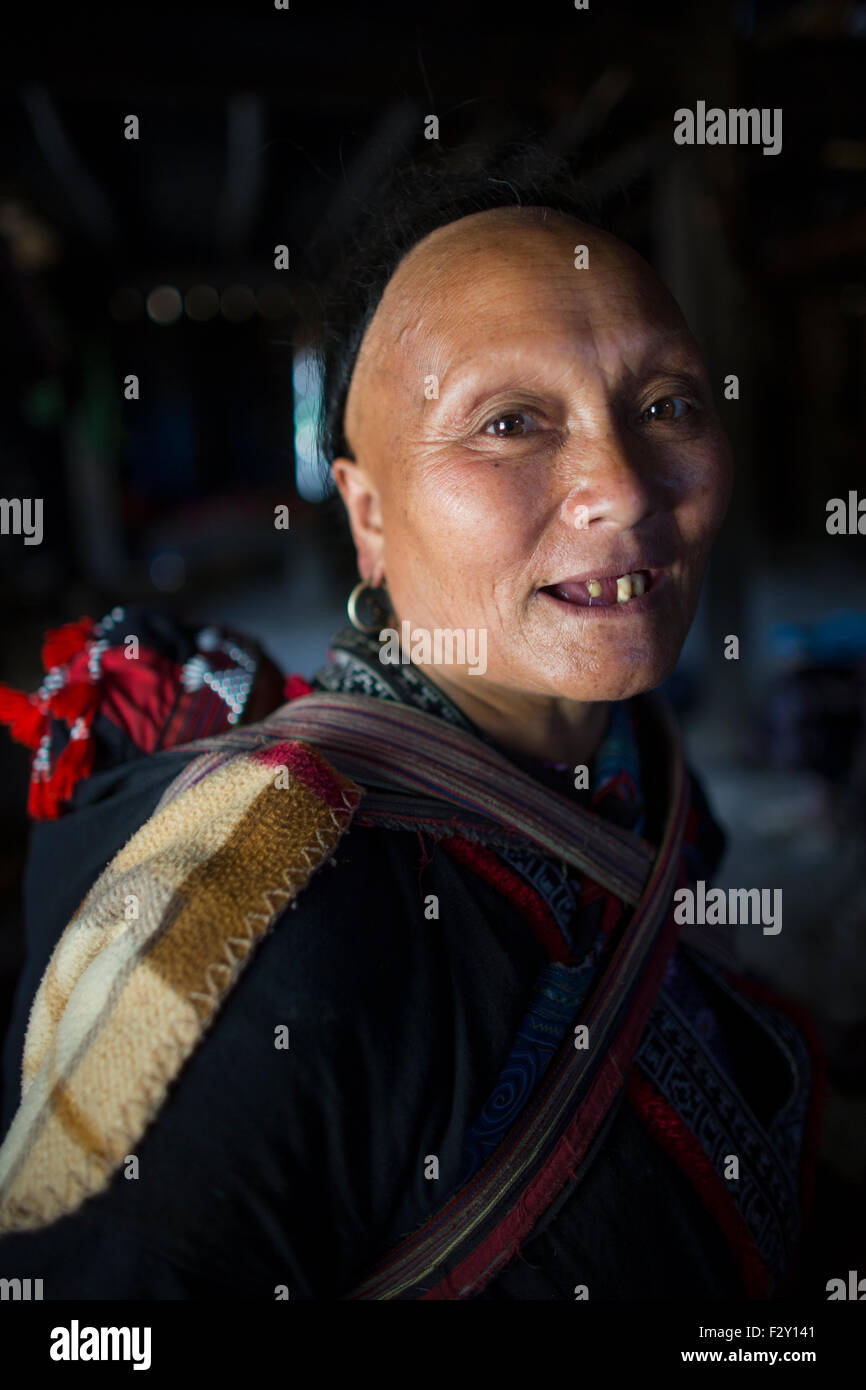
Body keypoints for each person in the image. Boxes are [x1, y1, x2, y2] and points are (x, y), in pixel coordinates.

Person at [0, 151, 823, 1299]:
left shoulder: (638, 759)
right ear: (369, 515)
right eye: (509, 421)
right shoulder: (259, 925)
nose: (624, 487)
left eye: (665, 404)